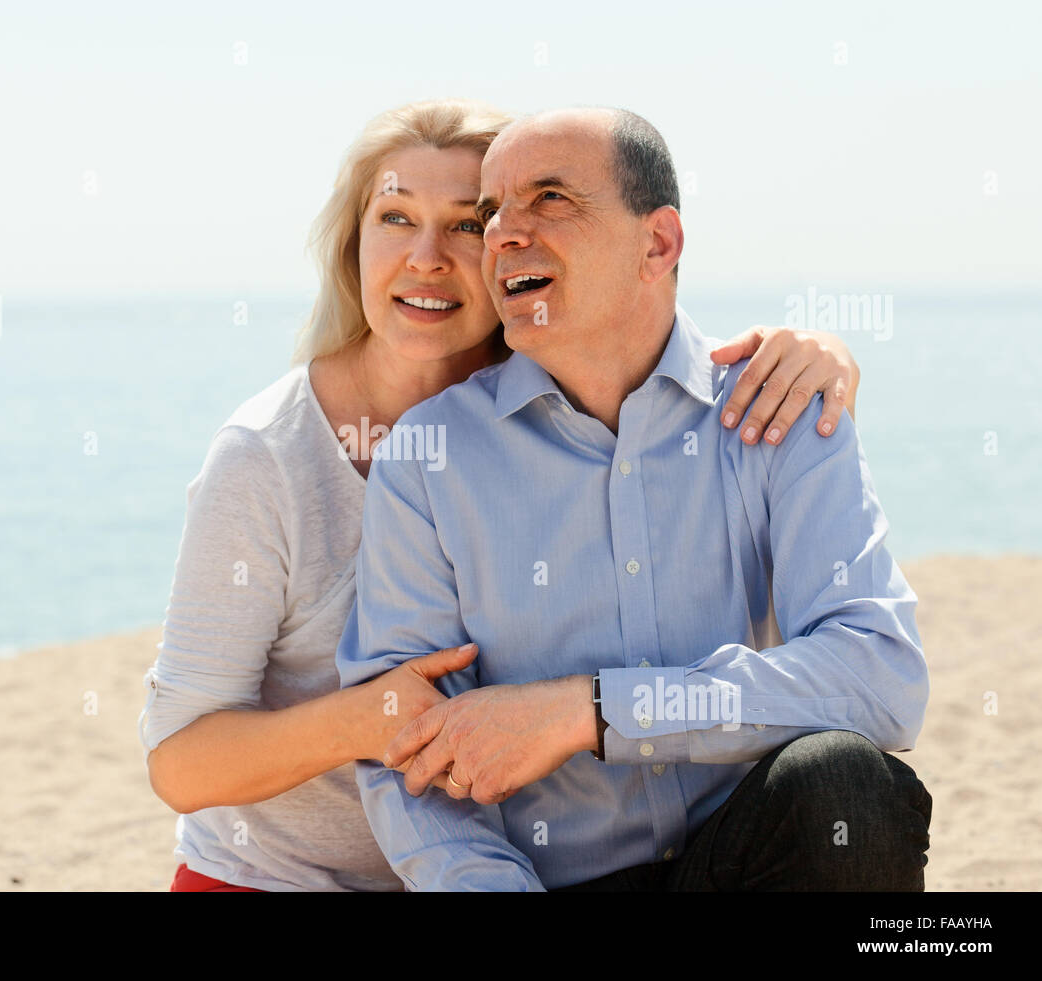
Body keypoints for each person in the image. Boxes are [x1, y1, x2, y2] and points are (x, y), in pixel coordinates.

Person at [140, 99, 866, 892]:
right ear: (352, 249)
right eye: (394, 218)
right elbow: (179, 760)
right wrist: (369, 717)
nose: (427, 257)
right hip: (285, 877)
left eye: (465, 223)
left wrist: (821, 354)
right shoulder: (267, 460)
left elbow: (642, 321)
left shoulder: (588, 395)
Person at [335, 106, 931, 891]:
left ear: (657, 244)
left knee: (845, 781)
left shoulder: (783, 406)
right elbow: (410, 758)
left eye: (550, 198)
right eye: (491, 213)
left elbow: (882, 678)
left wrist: (593, 711)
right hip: (550, 882)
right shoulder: (427, 458)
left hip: (746, 859)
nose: (503, 234)